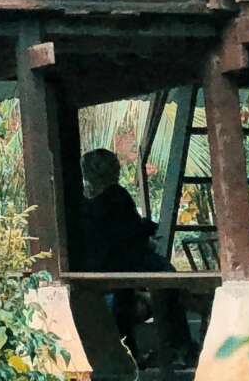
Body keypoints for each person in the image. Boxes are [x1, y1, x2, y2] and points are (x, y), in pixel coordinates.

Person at [79, 148, 172, 362]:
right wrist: (150, 228)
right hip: (120, 263)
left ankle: (131, 353)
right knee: (166, 278)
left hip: (101, 265)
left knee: (128, 297)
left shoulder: (84, 202)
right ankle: (175, 345)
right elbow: (130, 230)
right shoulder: (116, 195)